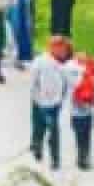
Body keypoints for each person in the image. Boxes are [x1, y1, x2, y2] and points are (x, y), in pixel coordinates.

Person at [29, 36, 72, 167]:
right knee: (38, 128)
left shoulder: (63, 65)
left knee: (53, 130)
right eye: (62, 50)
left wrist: (61, 99)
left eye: (65, 51)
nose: (64, 53)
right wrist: (37, 97)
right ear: (54, 48)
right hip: (39, 102)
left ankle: (55, 158)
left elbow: (66, 84)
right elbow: (33, 81)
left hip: (54, 104)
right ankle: (37, 147)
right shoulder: (40, 62)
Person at [69, 46, 94, 170]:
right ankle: (82, 159)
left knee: (87, 134)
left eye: (84, 55)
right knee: (80, 135)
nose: (82, 57)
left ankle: (85, 156)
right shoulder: (72, 71)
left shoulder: (88, 69)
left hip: (87, 108)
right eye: (79, 55)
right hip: (78, 110)